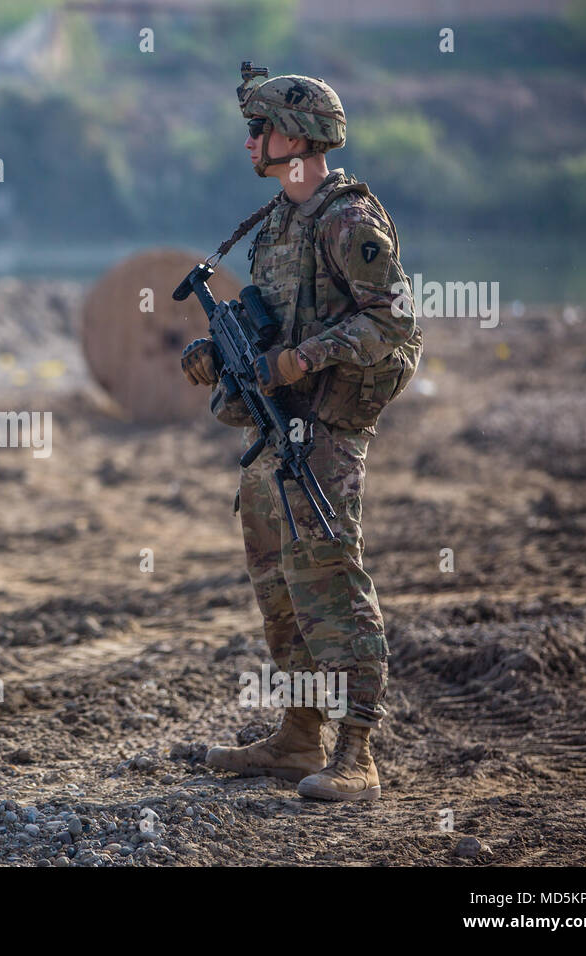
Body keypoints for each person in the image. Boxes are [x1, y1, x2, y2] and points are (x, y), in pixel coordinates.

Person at [180, 63, 423, 801]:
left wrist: (299, 360)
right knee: (279, 584)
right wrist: (220, 355)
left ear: (299, 137)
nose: (250, 141)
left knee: (330, 580)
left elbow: (394, 322)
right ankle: (298, 735)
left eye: (261, 128)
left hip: (327, 430)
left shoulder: (348, 220)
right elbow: (278, 323)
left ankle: (357, 751)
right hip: (279, 434)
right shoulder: (279, 221)